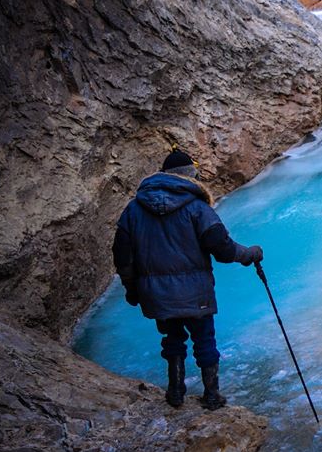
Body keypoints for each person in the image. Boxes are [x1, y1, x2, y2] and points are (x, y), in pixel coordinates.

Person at [113, 147, 264, 410]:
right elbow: (223, 249)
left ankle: (175, 393)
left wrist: (132, 289)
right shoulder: (197, 208)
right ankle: (212, 395)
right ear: (189, 176)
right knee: (204, 340)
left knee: (172, 339)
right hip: (195, 292)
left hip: (156, 293)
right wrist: (249, 254)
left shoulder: (133, 211)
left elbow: (122, 256)